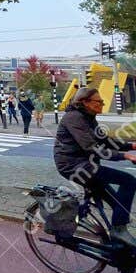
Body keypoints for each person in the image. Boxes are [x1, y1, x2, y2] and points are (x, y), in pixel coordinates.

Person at [55, 87, 136, 247]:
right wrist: (125, 156)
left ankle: (118, 245)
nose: (102, 104)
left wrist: (131, 146)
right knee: (128, 180)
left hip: (86, 165)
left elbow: (104, 141)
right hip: (73, 166)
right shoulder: (74, 118)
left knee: (118, 204)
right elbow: (92, 148)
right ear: (85, 102)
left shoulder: (88, 117)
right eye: (99, 101)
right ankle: (118, 231)